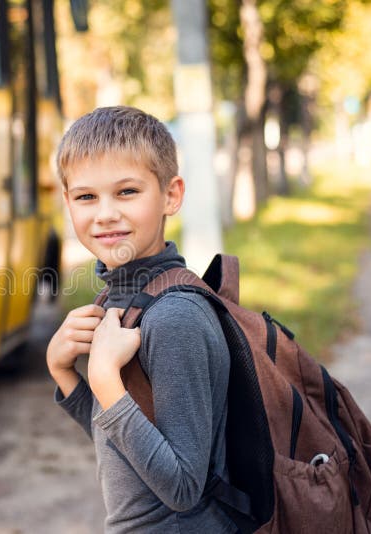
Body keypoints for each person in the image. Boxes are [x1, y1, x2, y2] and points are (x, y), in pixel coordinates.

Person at [46, 106, 235, 533]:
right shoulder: (122, 297)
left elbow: (183, 487)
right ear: (68, 202)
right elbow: (127, 445)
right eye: (86, 196)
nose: (105, 213)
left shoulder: (174, 319)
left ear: (171, 195)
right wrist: (65, 373)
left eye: (127, 192)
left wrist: (104, 378)